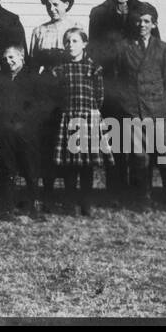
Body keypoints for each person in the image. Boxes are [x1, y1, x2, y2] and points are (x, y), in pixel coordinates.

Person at [88, 0, 150, 194]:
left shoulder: (143, 10)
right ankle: (116, 191)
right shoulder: (100, 12)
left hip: (135, 86)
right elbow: (93, 49)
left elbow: (151, 45)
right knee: (114, 138)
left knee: (136, 140)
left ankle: (138, 191)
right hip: (111, 84)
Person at [111, 4, 166, 208]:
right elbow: (117, 78)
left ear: (154, 23)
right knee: (140, 156)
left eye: (147, 21)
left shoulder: (163, 47)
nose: (142, 24)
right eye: (138, 20)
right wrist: (129, 103)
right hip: (134, 108)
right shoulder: (123, 47)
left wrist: (156, 99)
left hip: (158, 107)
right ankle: (144, 196)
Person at [0, 43, 60, 220]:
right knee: (6, 169)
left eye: (12, 57)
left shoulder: (34, 78)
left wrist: (29, 124)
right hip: (5, 133)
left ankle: (34, 205)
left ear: (21, 57)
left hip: (28, 133)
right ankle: (8, 207)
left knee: (31, 168)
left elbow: (43, 107)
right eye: (5, 58)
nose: (8, 61)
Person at [52, 28, 107, 216]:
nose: (70, 45)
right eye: (67, 41)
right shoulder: (60, 69)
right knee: (70, 164)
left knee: (86, 165)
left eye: (75, 41)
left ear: (84, 44)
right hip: (68, 118)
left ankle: (85, 202)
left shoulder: (94, 68)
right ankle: (69, 203)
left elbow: (99, 96)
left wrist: (91, 114)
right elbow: (57, 96)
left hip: (88, 119)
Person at [29, 0, 77, 76]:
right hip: (46, 82)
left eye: (55, 5)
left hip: (71, 78)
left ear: (66, 4)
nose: (51, 9)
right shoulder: (39, 31)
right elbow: (33, 64)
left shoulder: (76, 29)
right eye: (48, 5)